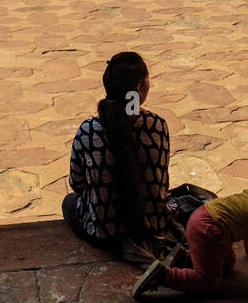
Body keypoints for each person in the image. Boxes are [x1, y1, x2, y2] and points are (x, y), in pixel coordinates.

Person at [133, 150, 248, 298]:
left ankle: (184, 259)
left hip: (202, 219)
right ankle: (162, 276)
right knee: (207, 282)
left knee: (228, 264)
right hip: (209, 231)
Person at [63, 52, 181, 261]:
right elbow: (160, 180)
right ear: (138, 90)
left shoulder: (88, 130)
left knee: (69, 202)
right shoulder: (157, 125)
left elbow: (77, 184)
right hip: (153, 223)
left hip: (104, 232)